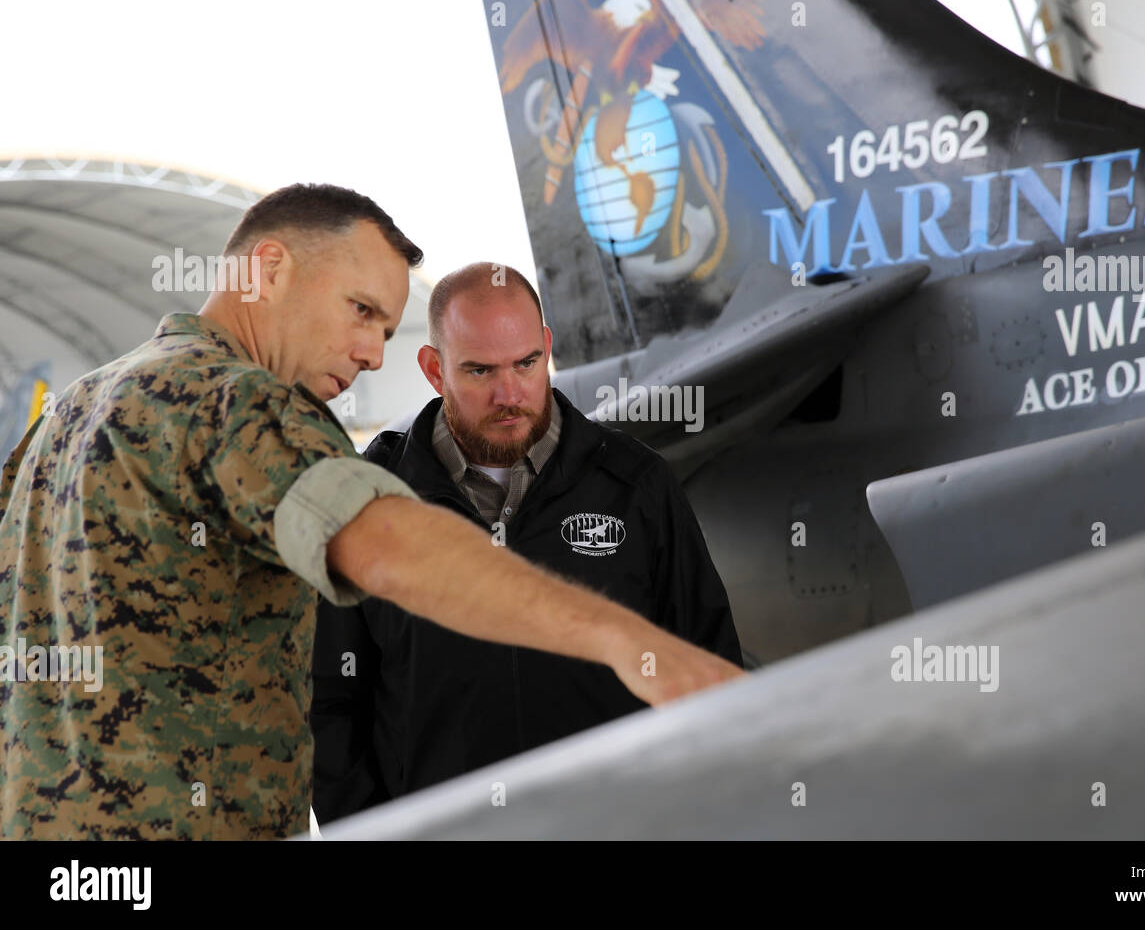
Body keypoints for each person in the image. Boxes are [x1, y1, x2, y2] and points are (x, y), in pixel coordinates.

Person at [0, 184, 742, 840]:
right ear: (269, 268)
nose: (371, 354)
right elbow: (384, 548)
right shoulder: (241, 403)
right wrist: (621, 638)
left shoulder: (66, 416)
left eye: (386, 328)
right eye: (361, 312)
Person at [311, 263, 742, 823]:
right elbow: (331, 702)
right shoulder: (372, 502)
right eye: (480, 371)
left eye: (526, 363)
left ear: (547, 348)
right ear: (434, 369)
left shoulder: (636, 485)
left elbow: (709, 660)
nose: (509, 394)